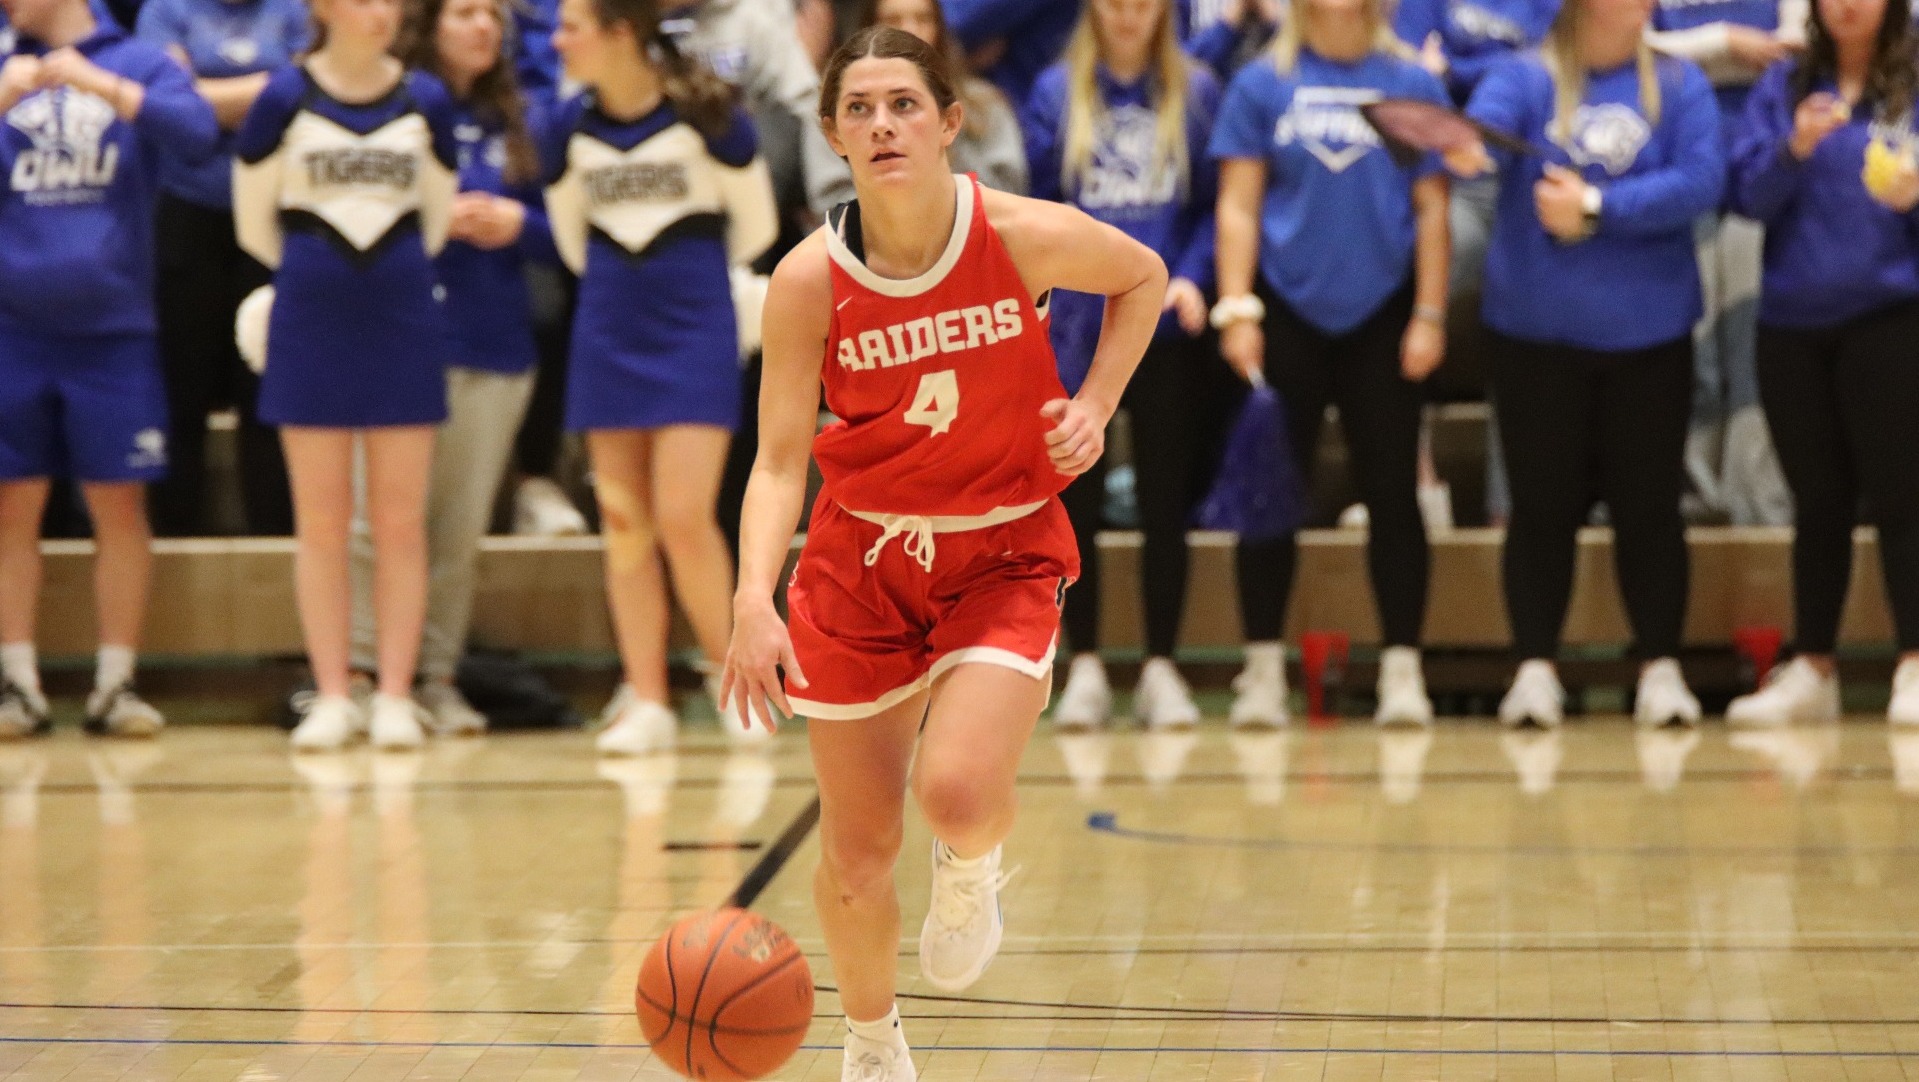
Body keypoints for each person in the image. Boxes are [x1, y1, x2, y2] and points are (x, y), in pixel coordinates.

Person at [722, 26, 1165, 1081]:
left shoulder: (1016, 234)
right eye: (860, 108)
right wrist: (751, 595)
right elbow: (779, 460)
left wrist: (1096, 405)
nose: (883, 123)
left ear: (950, 123)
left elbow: (1141, 276)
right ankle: (871, 1040)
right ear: (831, 134)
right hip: (857, 563)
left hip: (999, 547)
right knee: (856, 854)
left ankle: (972, 863)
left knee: (957, 790)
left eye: (904, 104)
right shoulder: (806, 280)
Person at [1457, 0, 1724, 726]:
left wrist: (1600, 205)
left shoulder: (1679, 85)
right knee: (1538, 512)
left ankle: (1660, 666)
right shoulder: (1524, 78)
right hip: (1535, 339)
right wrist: (1461, 148)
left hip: (1648, 337)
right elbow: (1483, 130)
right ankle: (1535, 667)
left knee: (1649, 512)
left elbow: (1702, 181)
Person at [1209, 0, 1452, 727]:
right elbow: (1239, 205)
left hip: (1383, 314)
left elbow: (1432, 206)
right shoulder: (1260, 83)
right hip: (1286, 313)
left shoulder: (1412, 82)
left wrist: (1430, 312)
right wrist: (1236, 306)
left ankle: (1403, 670)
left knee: (1392, 492)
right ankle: (1258, 670)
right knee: (1270, 494)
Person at [544, 0, 778, 753]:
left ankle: (731, 679)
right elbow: (569, 237)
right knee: (622, 518)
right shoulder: (564, 129)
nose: (556, 40)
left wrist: (694, 284)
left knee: (682, 514)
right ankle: (646, 696)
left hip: (693, 325)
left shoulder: (709, 116)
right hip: (608, 327)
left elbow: (758, 225)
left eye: (571, 26)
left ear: (620, 33)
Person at [232, 0, 461, 749]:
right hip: (310, 313)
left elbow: (434, 217)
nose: (383, 12)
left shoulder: (424, 98)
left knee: (398, 521)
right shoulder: (282, 95)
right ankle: (333, 692)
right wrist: (313, 279)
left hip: (400, 312)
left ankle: (394, 694)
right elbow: (253, 220)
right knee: (321, 522)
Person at [0, 0, 217, 738]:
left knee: (120, 506)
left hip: (115, 331)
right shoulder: (3, 65)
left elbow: (195, 136)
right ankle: (15, 682)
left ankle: (116, 682)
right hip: (12, 331)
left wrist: (105, 88)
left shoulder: (140, 62)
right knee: (11, 507)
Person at [341, 0, 551, 734]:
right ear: (428, 26)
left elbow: (579, 235)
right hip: (397, 340)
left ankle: (435, 678)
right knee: (376, 524)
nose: (484, 26)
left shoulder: (524, 121)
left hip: (492, 345)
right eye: (465, 12)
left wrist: (517, 224)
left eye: (493, 14)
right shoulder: (389, 106)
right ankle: (361, 679)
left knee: (456, 534)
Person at [1024, 0, 1219, 729]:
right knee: (1075, 504)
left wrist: (1193, 275)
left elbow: (1208, 202)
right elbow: (1038, 210)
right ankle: (1084, 666)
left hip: (1163, 329)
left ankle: (1163, 665)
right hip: (1074, 331)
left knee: (1165, 500)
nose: (1130, 14)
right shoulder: (1053, 93)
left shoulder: (1195, 90)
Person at [1726, 0, 1919, 725]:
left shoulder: (1912, 79)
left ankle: (1913, 663)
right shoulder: (1783, 85)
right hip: (1792, 322)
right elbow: (1744, 195)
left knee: (1904, 499)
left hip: (1891, 318)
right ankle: (1811, 665)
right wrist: (1793, 150)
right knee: (1818, 503)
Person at [134, 0, 305, 538]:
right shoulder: (165, 10)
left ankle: (273, 546)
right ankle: (177, 538)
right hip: (187, 213)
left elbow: (307, 98)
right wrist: (268, 86)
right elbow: (170, 108)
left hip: (272, 217)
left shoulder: (294, 10)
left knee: (267, 391)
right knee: (181, 390)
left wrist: (205, 95)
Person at [1649, 0, 1804, 528]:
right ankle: (1694, 502)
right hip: (1670, 162)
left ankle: (1761, 508)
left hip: (1761, 161)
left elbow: (1794, 45)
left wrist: (1693, 56)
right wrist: (1724, 43)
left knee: (1751, 345)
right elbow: (1622, 42)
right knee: (1695, 351)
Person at [806, 0, 1028, 207]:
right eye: (893, 21)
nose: (910, 31)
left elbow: (1009, 195)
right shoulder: (838, 103)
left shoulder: (985, 104)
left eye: (923, 19)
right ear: (870, 29)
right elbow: (831, 199)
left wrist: (941, 137)